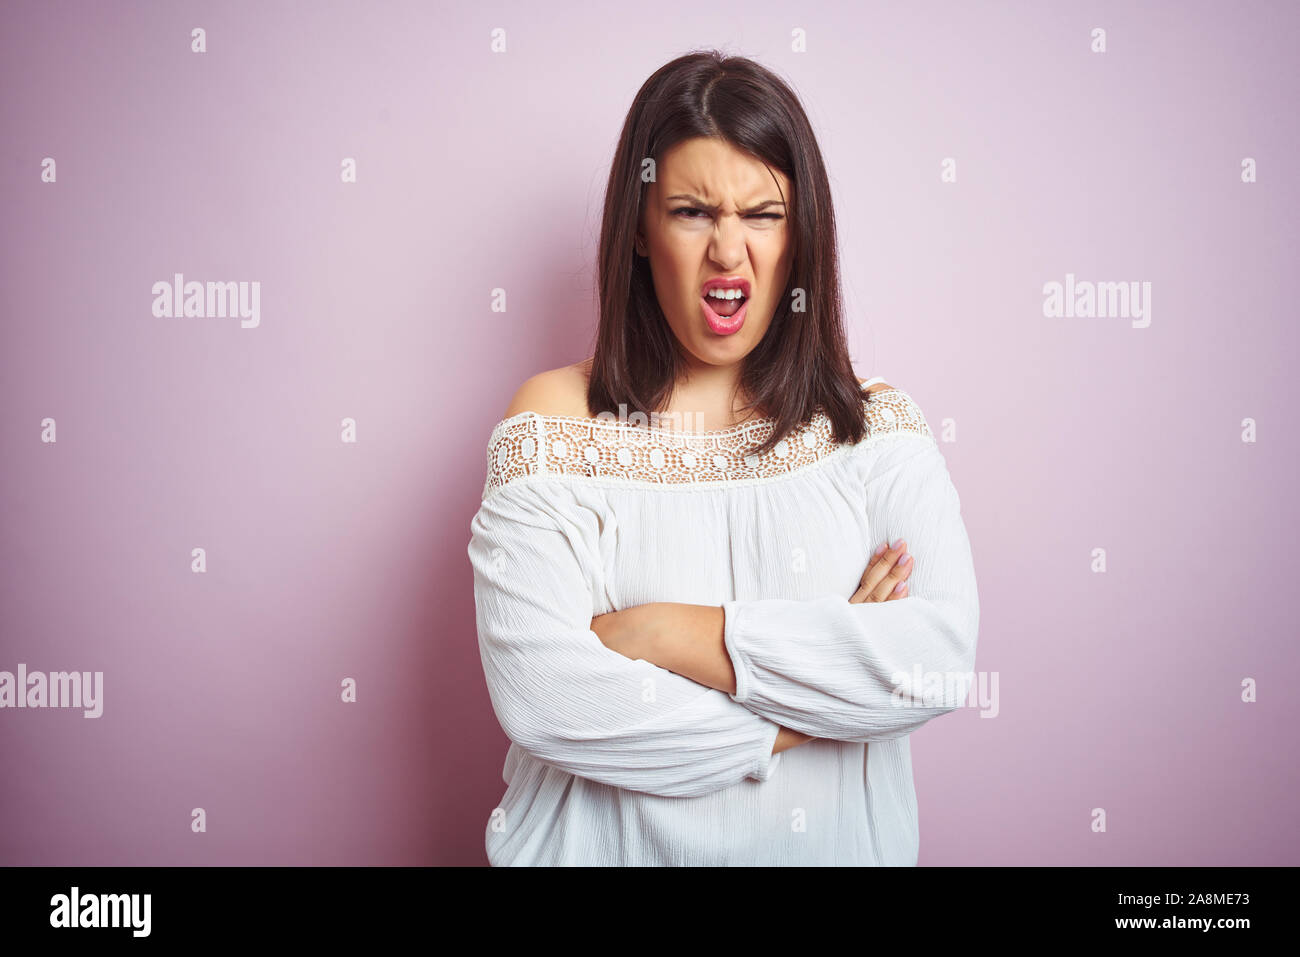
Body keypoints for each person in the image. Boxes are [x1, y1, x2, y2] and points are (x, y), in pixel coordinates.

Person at [467, 50, 980, 865]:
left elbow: (939, 662)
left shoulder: (874, 427)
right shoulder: (557, 423)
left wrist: (664, 632)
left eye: (763, 214)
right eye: (693, 211)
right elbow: (546, 699)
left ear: (801, 233)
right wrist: (823, 695)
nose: (728, 251)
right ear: (639, 229)